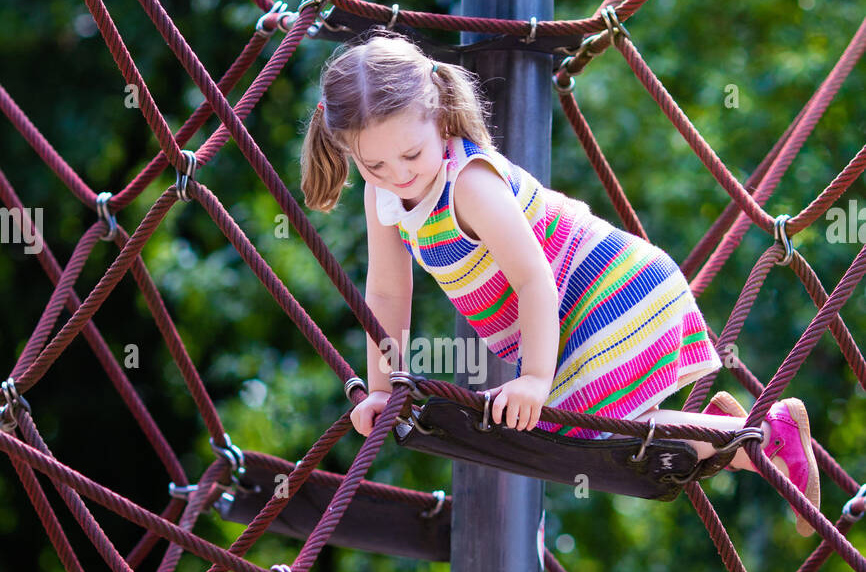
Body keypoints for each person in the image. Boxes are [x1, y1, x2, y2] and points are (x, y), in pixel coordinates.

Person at [299, 29, 821, 536]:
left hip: (611, 289)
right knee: (575, 441)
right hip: (570, 313)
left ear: (437, 115)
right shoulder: (385, 196)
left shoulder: (470, 185)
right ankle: (723, 433)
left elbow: (534, 278)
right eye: (374, 164)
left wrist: (533, 379)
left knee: (588, 440)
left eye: (411, 154)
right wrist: (383, 388)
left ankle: (768, 433)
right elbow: (388, 293)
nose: (398, 174)